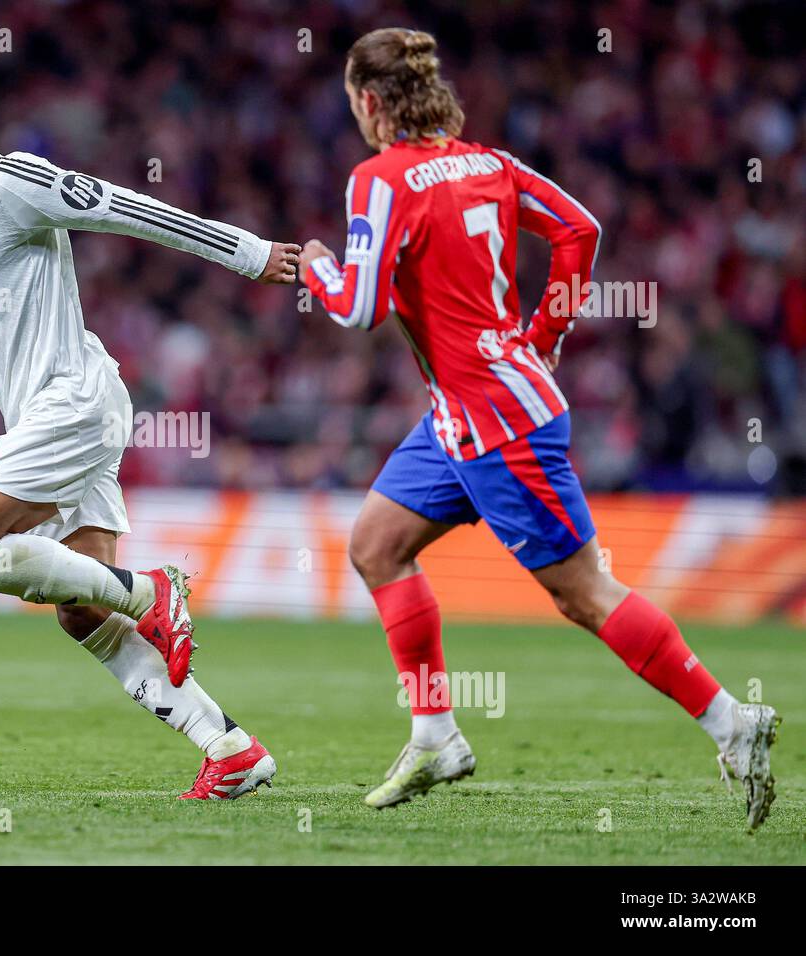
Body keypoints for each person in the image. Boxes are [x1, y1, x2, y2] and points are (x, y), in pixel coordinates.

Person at [299, 27, 779, 828]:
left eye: (353, 101)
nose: (355, 113)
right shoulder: (488, 163)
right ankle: (436, 734)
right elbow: (580, 228)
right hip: (463, 413)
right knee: (377, 546)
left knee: (584, 594)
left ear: (372, 101)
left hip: (498, 425)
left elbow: (355, 306)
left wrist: (314, 261)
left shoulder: (379, 180)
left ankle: (733, 723)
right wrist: (544, 335)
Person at [0, 49, 300, 798]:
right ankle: (228, 747)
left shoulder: (9, 182)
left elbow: (132, 209)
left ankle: (153, 592)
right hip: (46, 414)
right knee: (81, 611)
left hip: (74, 399)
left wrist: (250, 252)